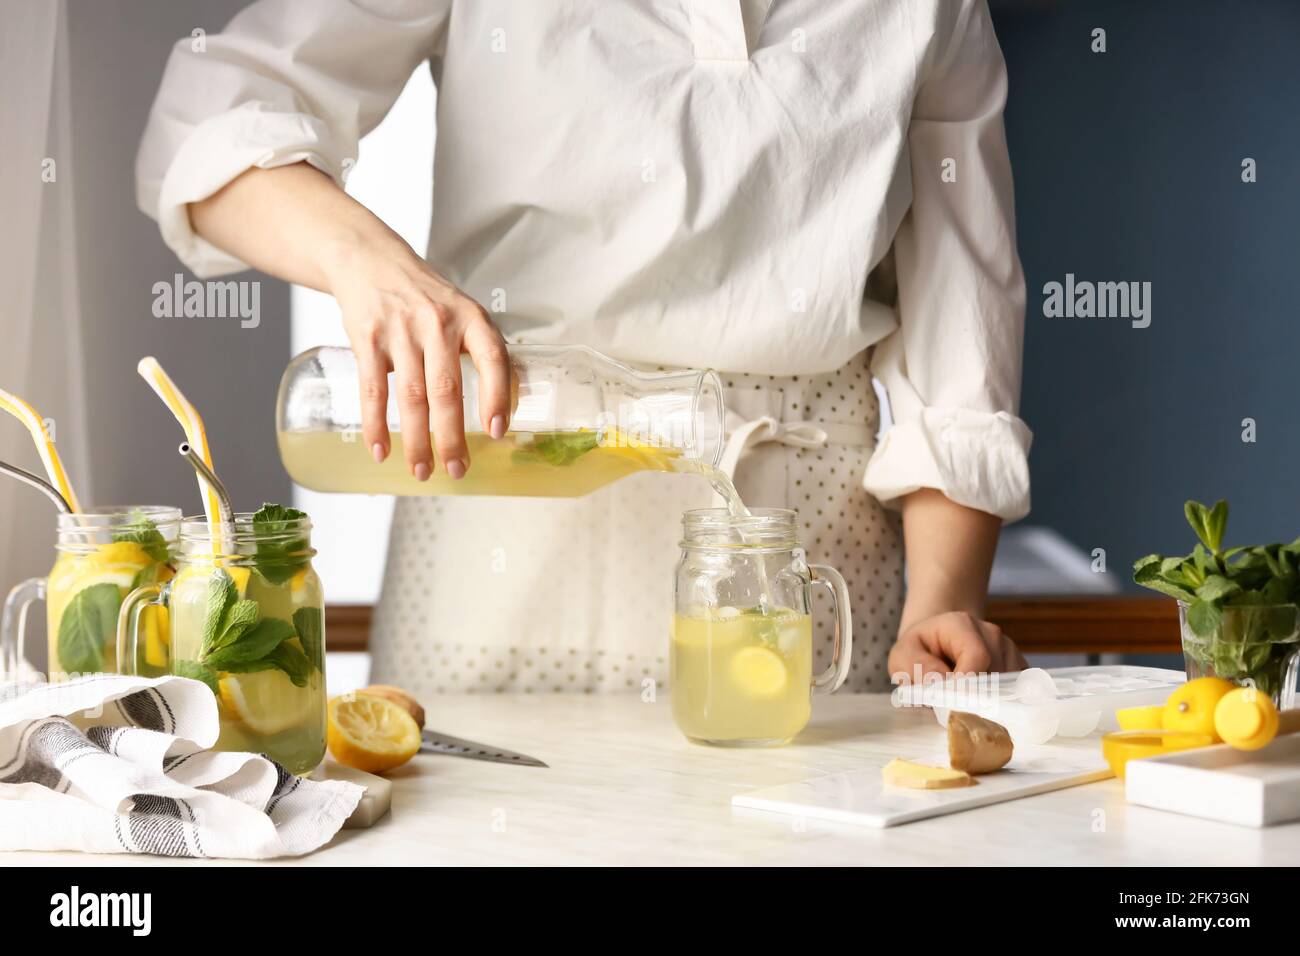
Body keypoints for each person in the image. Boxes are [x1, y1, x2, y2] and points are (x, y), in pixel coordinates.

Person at [137, 0, 1031, 697]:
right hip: (499, 526)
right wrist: (367, 263)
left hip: (803, 569)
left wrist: (943, 607)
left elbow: (965, 336)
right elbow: (208, 119)